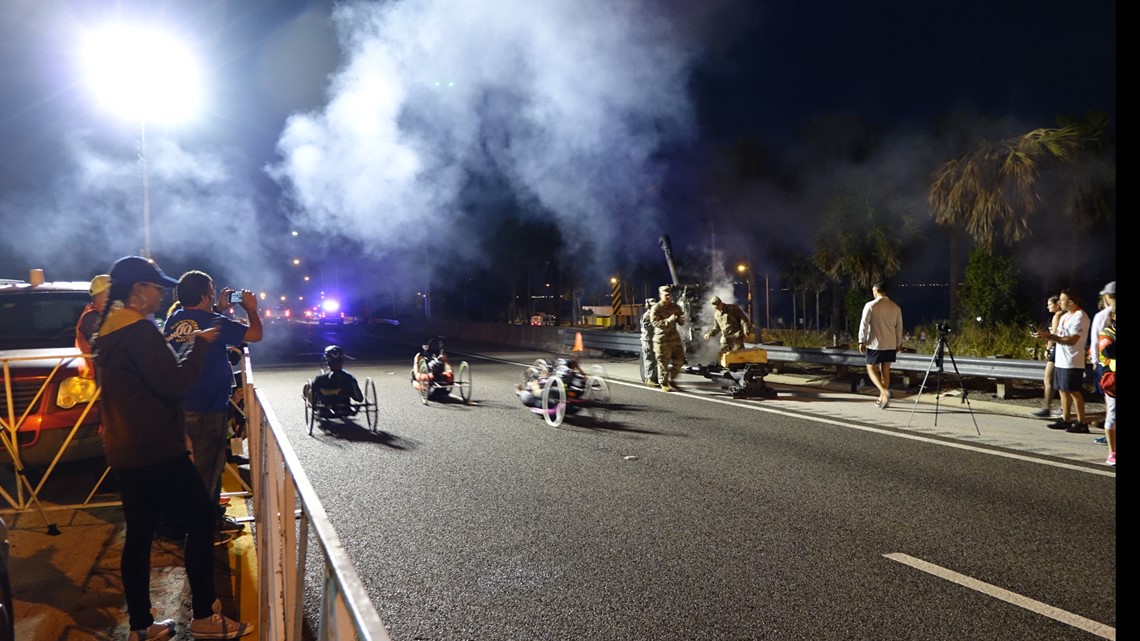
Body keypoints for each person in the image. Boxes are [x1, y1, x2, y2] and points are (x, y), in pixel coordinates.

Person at [93, 256, 252, 641]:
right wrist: (200, 344)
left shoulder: (107, 333)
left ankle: (141, 626)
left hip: (124, 448)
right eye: (155, 287)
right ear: (138, 290)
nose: (162, 293)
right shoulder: (139, 330)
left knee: (139, 534)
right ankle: (204, 617)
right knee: (201, 519)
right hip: (156, 448)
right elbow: (174, 384)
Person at [164, 271, 263, 539]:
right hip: (208, 407)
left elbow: (200, 323)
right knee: (208, 472)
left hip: (178, 406)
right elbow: (255, 334)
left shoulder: (173, 320)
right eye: (212, 291)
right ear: (206, 295)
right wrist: (251, 309)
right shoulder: (214, 322)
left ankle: (188, 522)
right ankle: (205, 532)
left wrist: (218, 308)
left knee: (186, 469)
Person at [1035, 288, 1090, 432]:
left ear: (1070, 302)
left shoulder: (1080, 316)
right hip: (1061, 359)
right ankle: (1065, 419)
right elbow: (1059, 335)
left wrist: (1050, 336)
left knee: (1074, 391)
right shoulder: (1065, 316)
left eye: (1062, 300)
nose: (1059, 302)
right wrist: (1046, 337)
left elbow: (1072, 340)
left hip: (1072, 361)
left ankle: (1082, 422)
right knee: (1062, 390)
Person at [857, 281, 904, 409]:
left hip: (875, 344)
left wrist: (861, 340)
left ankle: (884, 391)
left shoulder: (870, 305)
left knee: (871, 368)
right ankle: (882, 398)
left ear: (876, 291)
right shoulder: (895, 307)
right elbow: (899, 327)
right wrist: (898, 343)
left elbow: (864, 324)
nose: (872, 293)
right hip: (890, 343)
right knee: (885, 370)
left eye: (873, 291)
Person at [1031, 295, 1065, 418]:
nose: (1047, 307)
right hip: (1060, 349)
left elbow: (1053, 335)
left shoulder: (1057, 316)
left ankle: (1046, 407)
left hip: (1056, 350)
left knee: (1048, 379)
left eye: (1050, 304)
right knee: (1058, 381)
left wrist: (1047, 348)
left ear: (1057, 304)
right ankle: (1062, 407)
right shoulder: (1063, 315)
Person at [650, 285, 686, 392]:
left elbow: (681, 321)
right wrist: (668, 320)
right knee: (663, 362)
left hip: (674, 338)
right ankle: (664, 383)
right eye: (666, 295)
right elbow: (655, 323)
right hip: (662, 339)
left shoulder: (675, 307)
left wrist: (681, 320)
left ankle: (672, 379)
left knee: (680, 360)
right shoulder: (656, 308)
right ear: (660, 295)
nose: (668, 297)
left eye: (669, 295)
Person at [309, 345, 364, 415]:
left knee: (313, 388)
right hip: (345, 407)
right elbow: (359, 398)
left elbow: (313, 398)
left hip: (325, 409)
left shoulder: (320, 378)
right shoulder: (350, 377)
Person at [75, 273, 111, 377]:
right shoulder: (91, 318)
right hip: (96, 377)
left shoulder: (98, 315)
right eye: (109, 293)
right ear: (97, 295)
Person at [1096, 304, 1115, 466]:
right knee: (1113, 415)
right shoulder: (1107, 333)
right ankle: (1112, 452)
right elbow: (1108, 352)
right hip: (1113, 380)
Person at [1088, 282, 1114, 397]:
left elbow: (1095, 340)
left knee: (1111, 398)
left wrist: (1094, 361)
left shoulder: (1102, 316)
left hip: (1106, 364)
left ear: (1109, 296)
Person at [640, 297, 659, 387]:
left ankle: (653, 378)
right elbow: (648, 327)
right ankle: (649, 379)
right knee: (649, 360)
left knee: (654, 360)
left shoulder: (653, 314)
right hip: (648, 340)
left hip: (652, 340)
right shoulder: (647, 315)